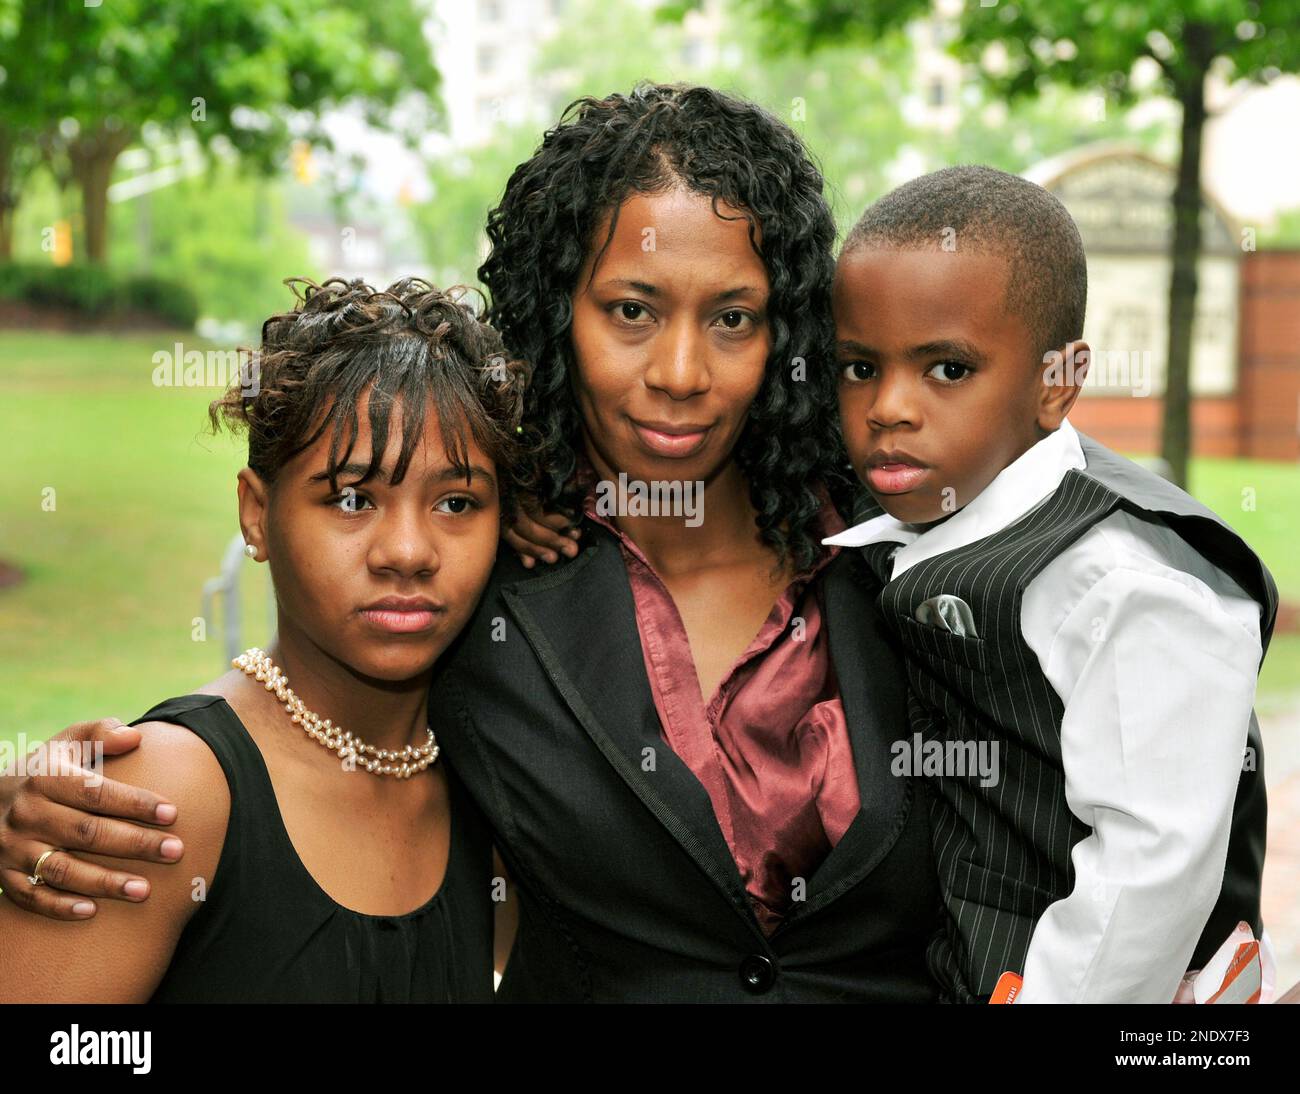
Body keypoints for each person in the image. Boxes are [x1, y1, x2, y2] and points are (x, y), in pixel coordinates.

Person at [0, 84, 941, 1003]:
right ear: (553, 313)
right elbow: (295, 745)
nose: (681, 373)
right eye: (631, 310)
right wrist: (33, 792)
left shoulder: (900, 546)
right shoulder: (478, 576)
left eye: (733, 317)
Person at [0, 277, 528, 1002]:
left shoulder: (488, 784)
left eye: (457, 502)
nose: (408, 551)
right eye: (351, 498)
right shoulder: (168, 791)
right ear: (256, 515)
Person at [823, 165, 1277, 1003]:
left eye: (947, 370)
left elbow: (1151, 867)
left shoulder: (1121, 582)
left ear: (1057, 381)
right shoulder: (925, 505)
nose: (889, 406)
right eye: (858, 367)